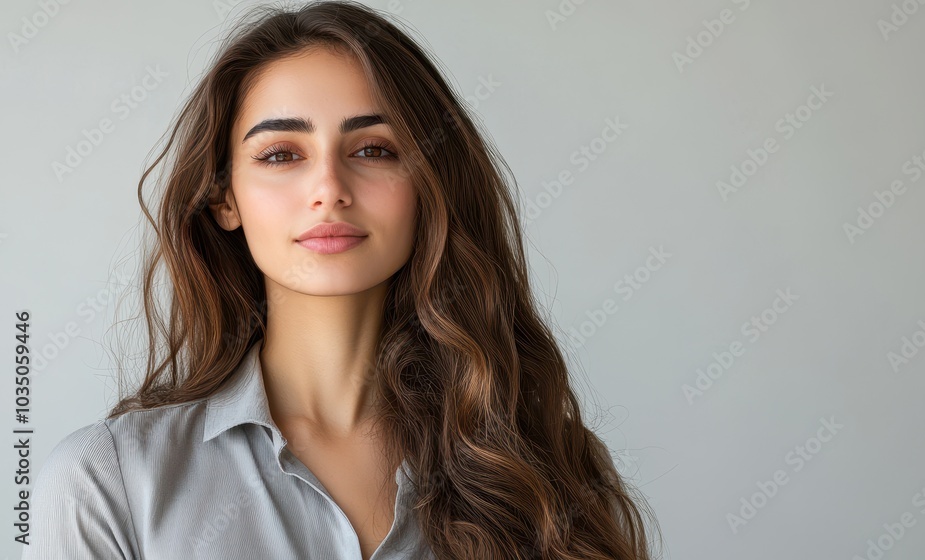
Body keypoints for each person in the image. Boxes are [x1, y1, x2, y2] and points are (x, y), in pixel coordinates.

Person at [24, 1, 663, 559]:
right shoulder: (109, 482)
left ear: (428, 186)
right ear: (225, 199)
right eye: (281, 155)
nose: (329, 189)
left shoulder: (550, 470)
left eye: (373, 150)